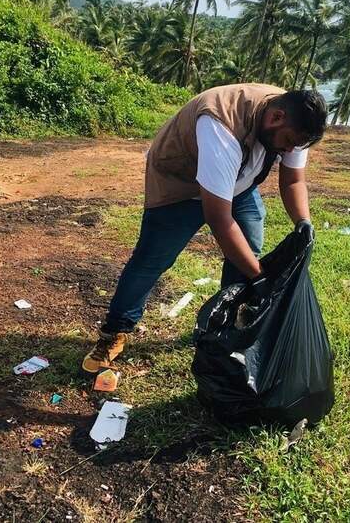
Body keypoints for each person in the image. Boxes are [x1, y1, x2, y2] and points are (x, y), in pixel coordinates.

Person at [82, 83, 328, 373]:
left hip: (237, 185)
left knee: (247, 250)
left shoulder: (294, 122)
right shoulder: (220, 123)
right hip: (180, 184)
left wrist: (304, 222)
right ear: (275, 118)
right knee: (151, 261)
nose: (287, 150)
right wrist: (259, 279)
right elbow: (219, 219)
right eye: (286, 143)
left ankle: (226, 326)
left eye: (294, 146)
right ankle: (114, 333)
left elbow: (293, 181)